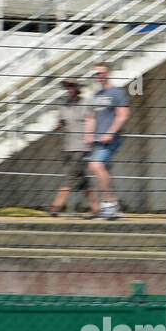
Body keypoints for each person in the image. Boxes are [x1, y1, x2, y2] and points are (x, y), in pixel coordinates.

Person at [48, 78, 101, 218]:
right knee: (82, 180)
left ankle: (56, 206)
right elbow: (62, 121)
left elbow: (91, 120)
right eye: (67, 86)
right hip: (69, 147)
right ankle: (96, 208)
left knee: (70, 177)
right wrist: (58, 126)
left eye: (71, 86)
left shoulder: (85, 104)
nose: (69, 88)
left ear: (77, 88)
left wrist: (90, 137)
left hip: (81, 146)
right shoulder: (64, 104)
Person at [85, 62, 130, 220]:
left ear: (108, 73)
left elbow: (123, 115)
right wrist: (89, 135)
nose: (99, 76)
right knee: (105, 172)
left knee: (95, 166)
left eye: (101, 73)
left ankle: (109, 203)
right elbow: (90, 117)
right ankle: (111, 208)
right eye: (96, 74)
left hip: (111, 139)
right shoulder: (96, 95)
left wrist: (111, 133)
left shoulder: (117, 93)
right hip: (98, 140)